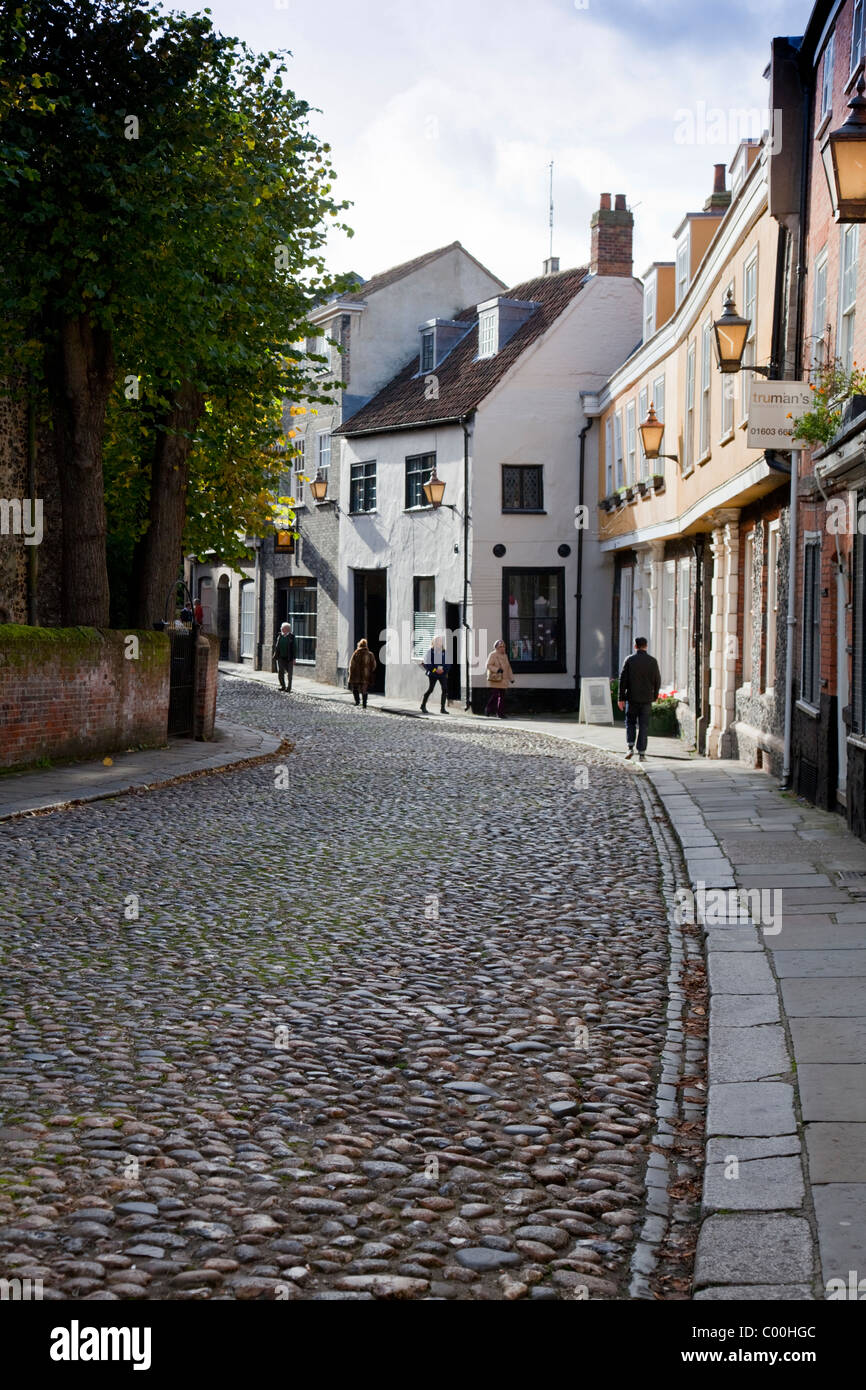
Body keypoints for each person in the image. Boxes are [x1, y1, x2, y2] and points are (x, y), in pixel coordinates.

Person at [618, 635, 661, 762]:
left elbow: (622, 681)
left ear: (635, 646)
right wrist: (655, 696)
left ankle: (630, 747)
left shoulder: (629, 660)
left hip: (632, 699)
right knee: (644, 726)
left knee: (630, 723)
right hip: (647, 699)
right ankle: (642, 754)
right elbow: (657, 681)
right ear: (646, 646)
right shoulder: (652, 661)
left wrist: (620, 698)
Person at [420, 634, 451, 714]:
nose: (439, 642)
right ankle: (423, 705)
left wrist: (444, 670)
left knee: (445, 689)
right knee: (431, 689)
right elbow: (427, 663)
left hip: (442, 673)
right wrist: (435, 670)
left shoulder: (444, 651)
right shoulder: (430, 652)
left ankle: (442, 708)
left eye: (440, 641)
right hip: (433, 674)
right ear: (433, 642)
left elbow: (448, 663)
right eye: (437, 641)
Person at [485, 638, 514, 718]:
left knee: (502, 697)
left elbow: (508, 667)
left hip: (503, 679)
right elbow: (488, 665)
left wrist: (511, 678)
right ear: (496, 647)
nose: (502, 648)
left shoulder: (505, 656)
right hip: (495, 679)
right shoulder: (493, 654)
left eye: (503, 646)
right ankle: (488, 709)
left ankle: (500, 713)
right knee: (494, 696)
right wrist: (497, 669)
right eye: (500, 646)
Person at [348, 637, 377, 709]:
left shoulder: (355, 653)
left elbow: (351, 665)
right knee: (364, 689)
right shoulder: (370, 654)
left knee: (355, 688)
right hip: (366, 675)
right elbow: (374, 665)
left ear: (359, 645)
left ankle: (357, 701)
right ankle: (364, 704)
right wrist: (369, 671)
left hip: (356, 675)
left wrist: (351, 674)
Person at [272, 622, 296, 692]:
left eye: (282, 628)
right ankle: (283, 686)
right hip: (280, 657)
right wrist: (275, 655)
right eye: (281, 628)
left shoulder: (291, 637)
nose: (281, 629)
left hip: (289, 658)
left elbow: (294, 648)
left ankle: (289, 688)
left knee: (289, 673)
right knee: (280, 672)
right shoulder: (280, 636)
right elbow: (277, 647)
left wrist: (294, 658)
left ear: (287, 629)